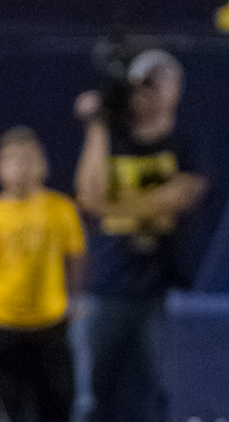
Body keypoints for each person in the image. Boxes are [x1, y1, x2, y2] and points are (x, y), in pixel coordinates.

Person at [72, 49, 207, 422]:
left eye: (155, 85)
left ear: (174, 90)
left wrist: (112, 205)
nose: (145, 95)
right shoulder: (110, 137)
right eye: (139, 86)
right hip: (108, 283)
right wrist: (97, 125)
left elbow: (182, 197)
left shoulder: (185, 144)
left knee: (154, 387)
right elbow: (88, 193)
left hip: (162, 286)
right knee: (91, 391)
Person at [0, 126, 84, 422]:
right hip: (2, 324)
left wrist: (76, 301)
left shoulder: (62, 209)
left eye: (29, 159)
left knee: (57, 402)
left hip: (51, 322)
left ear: (43, 163)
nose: (21, 167)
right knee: (6, 406)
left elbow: (75, 259)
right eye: (12, 159)